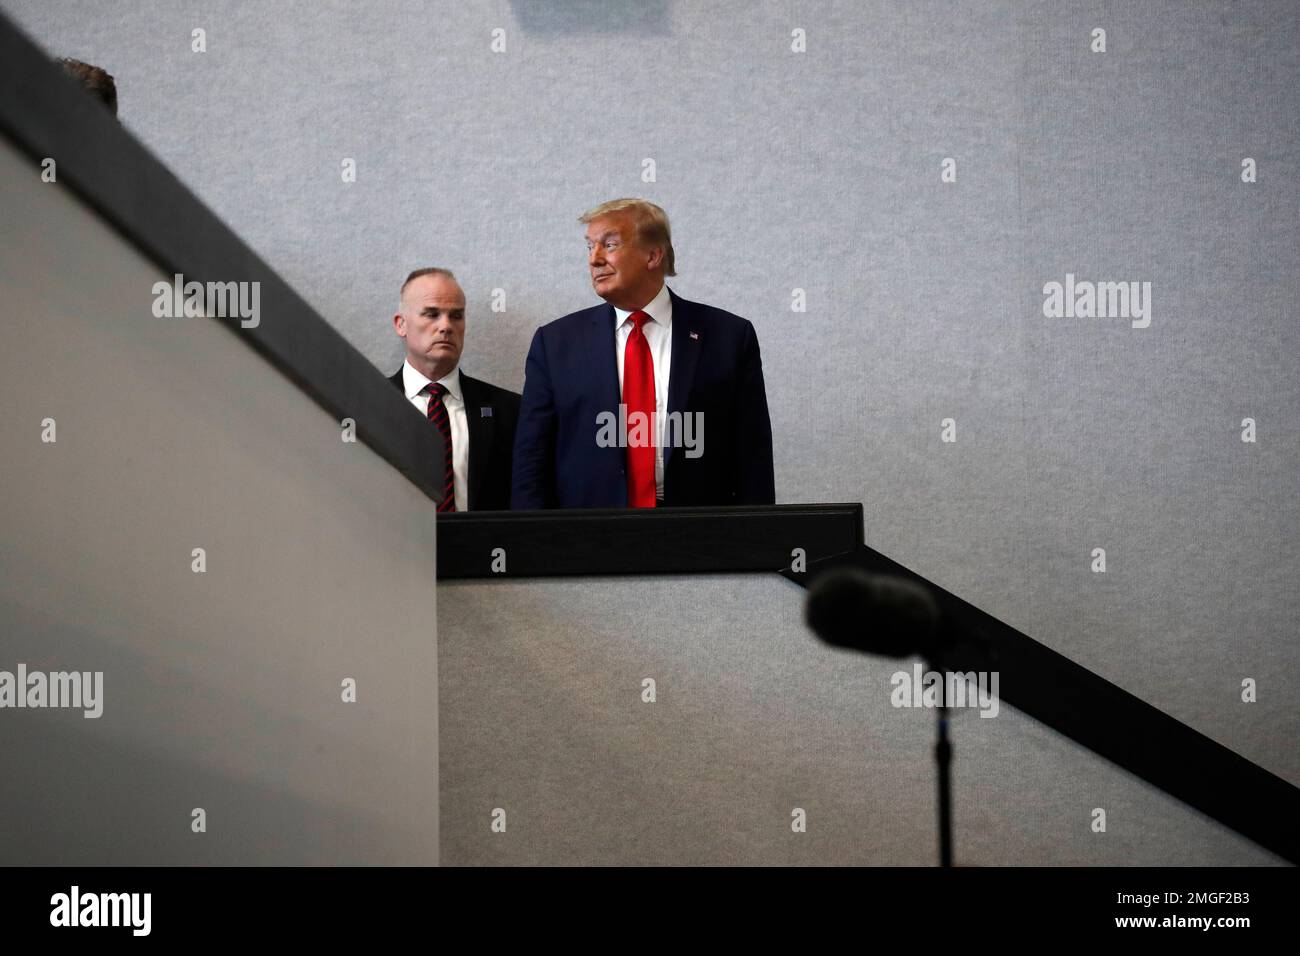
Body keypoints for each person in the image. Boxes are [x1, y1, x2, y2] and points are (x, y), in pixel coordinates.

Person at [511, 198, 774, 509]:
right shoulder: (555, 343)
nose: (594, 259)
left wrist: (755, 545)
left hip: (698, 537)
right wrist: (532, 546)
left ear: (653, 255)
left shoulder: (729, 336)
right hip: (587, 539)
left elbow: (752, 457)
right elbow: (531, 459)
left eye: (609, 244)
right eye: (589, 246)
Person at [390, 268, 519, 511]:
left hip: (481, 547)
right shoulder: (370, 404)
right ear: (401, 324)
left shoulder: (510, 412)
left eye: (456, 316)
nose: (446, 326)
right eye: (431, 314)